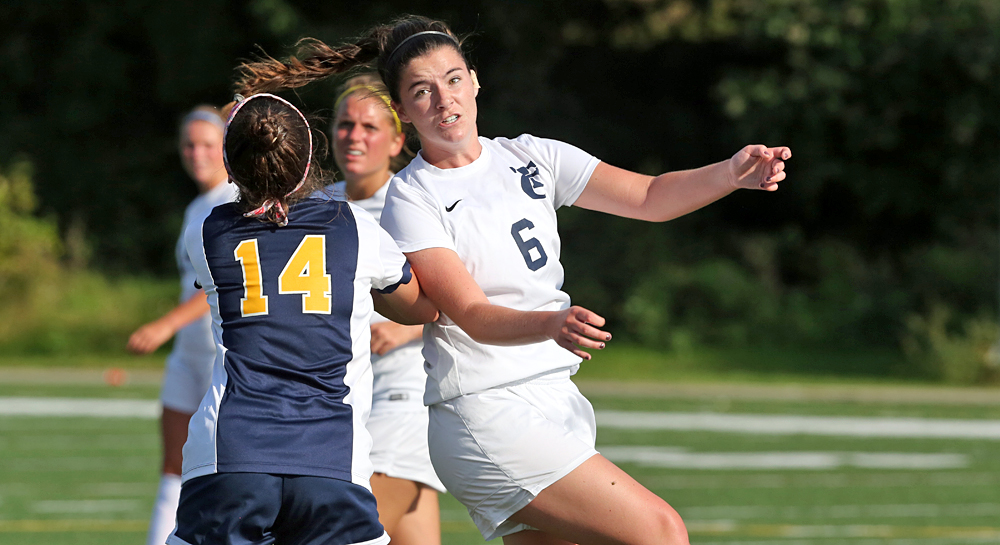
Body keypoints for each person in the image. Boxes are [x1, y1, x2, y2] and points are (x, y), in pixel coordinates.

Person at [233, 16, 790, 545]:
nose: (444, 98)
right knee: (660, 531)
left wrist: (731, 173)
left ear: (475, 82)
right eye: (422, 90)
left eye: (453, 79)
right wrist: (551, 322)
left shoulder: (533, 157)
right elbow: (470, 315)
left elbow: (650, 197)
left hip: (554, 399)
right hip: (485, 410)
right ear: (404, 110)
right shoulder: (412, 195)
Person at [167, 92, 438, 545]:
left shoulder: (209, 232)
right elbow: (422, 307)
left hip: (230, 454)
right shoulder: (356, 226)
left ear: (229, 165)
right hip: (331, 459)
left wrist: (244, 133)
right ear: (309, 152)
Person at [319, 74, 445, 545]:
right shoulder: (318, 205)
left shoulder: (413, 201)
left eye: (370, 127)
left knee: (347, 531)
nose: (355, 136)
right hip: (343, 398)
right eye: (346, 124)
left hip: (403, 392)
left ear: (397, 140)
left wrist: (406, 330)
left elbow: (464, 297)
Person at [126, 105, 238, 545]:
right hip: (187, 357)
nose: (197, 153)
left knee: (225, 473)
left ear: (225, 147)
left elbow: (219, 285)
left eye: (208, 144)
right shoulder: (197, 205)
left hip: (220, 358)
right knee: (172, 467)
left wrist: (165, 324)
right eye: (189, 144)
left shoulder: (233, 201)